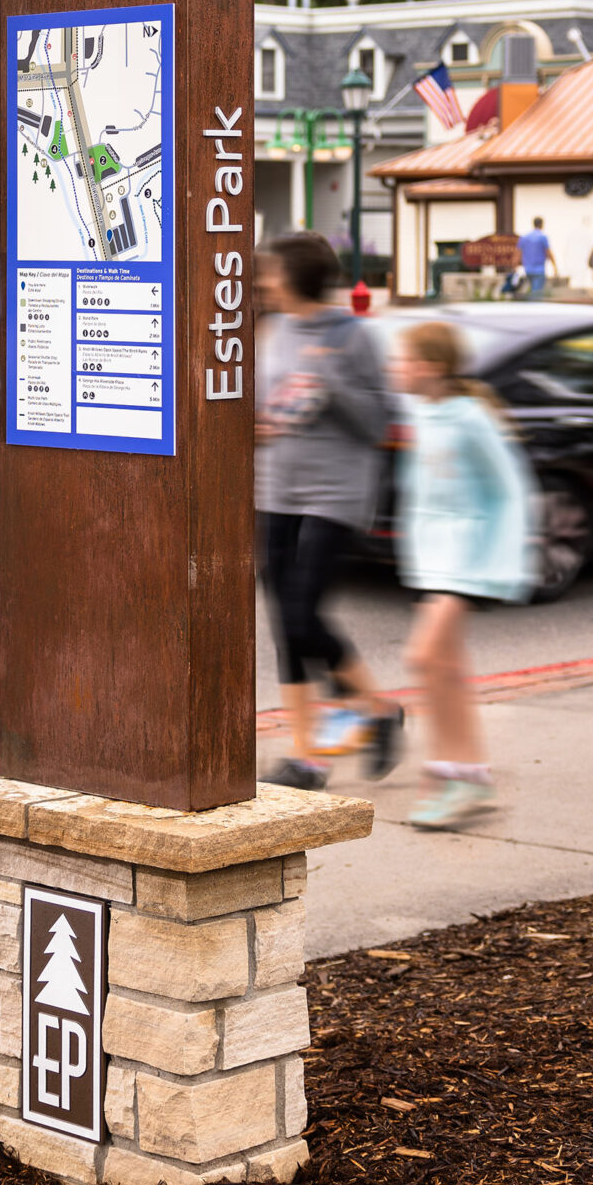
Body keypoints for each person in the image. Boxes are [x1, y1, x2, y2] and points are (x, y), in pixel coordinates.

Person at [255, 231, 402, 790]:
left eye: (273, 273)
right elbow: (266, 403)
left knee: (302, 614)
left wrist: (332, 381)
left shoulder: (353, 336)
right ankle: (307, 757)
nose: (265, 282)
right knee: (284, 626)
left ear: (297, 277)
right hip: (276, 491)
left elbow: (377, 422)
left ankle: (376, 708)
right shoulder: (275, 330)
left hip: (335, 494)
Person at [390, 319, 538, 830]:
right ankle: (471, 778)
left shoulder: (472, 418)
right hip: (433, 560)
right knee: (446, 670)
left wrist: (502, 562)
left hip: (470, 558)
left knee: (422, 657)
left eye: (404, 360)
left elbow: (510, 490)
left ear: (431, 366)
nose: (396, 368)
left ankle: (446, 774)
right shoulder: (422, 411)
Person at [518, 217, 553, 299]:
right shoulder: (542, 237)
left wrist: (515, 266)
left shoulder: (525, 237)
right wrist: (554, 266)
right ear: (542, 224)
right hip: (539, 269)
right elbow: (548, 252)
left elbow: (518, 253)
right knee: (537, 293)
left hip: (528, 269)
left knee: (533, 290)